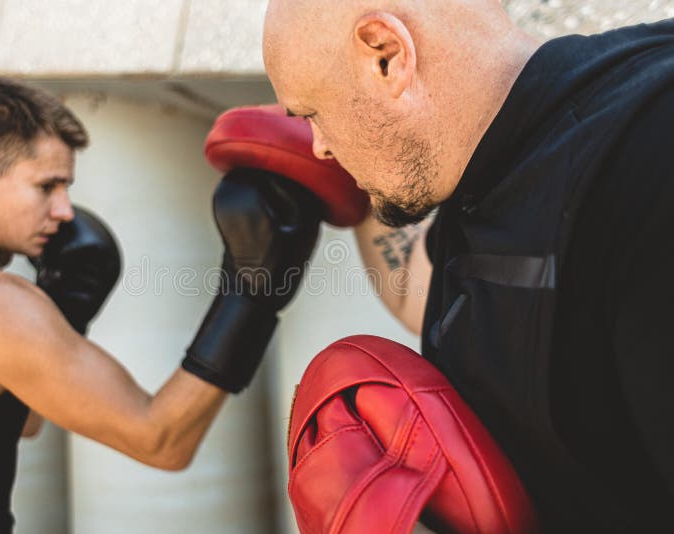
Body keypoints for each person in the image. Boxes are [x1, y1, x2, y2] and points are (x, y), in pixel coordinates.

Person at [262, 0, 674, 531]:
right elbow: (437, 291)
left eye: (313, 113)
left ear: (386, 56)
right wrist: (365, 193)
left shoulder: (650, 160)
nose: (317, 146)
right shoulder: (482, 167)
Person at [0, 77, 320, 532]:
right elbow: (162, 440)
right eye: (47, 186)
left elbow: (17, 423)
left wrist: (64, 309)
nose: (66, 210)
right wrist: (251, 296)